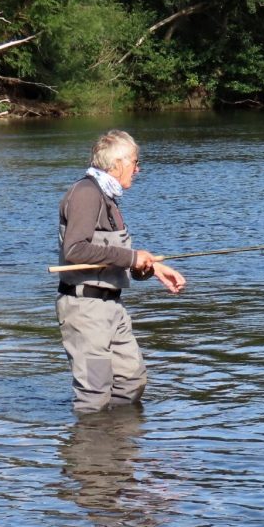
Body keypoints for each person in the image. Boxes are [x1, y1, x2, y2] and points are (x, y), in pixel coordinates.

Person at [56, 130, 185, 412]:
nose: (138, 170)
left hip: (112, 307)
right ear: (117, 164)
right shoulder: (86, 193)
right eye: (135, 162)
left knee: (131, 381)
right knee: (94, 392)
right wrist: (131, 257)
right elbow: (75, 250)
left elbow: (114, 256)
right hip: (86, 310)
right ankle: (90, 439)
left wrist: (151, 268)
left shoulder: (109, 198)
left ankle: (119, 438)